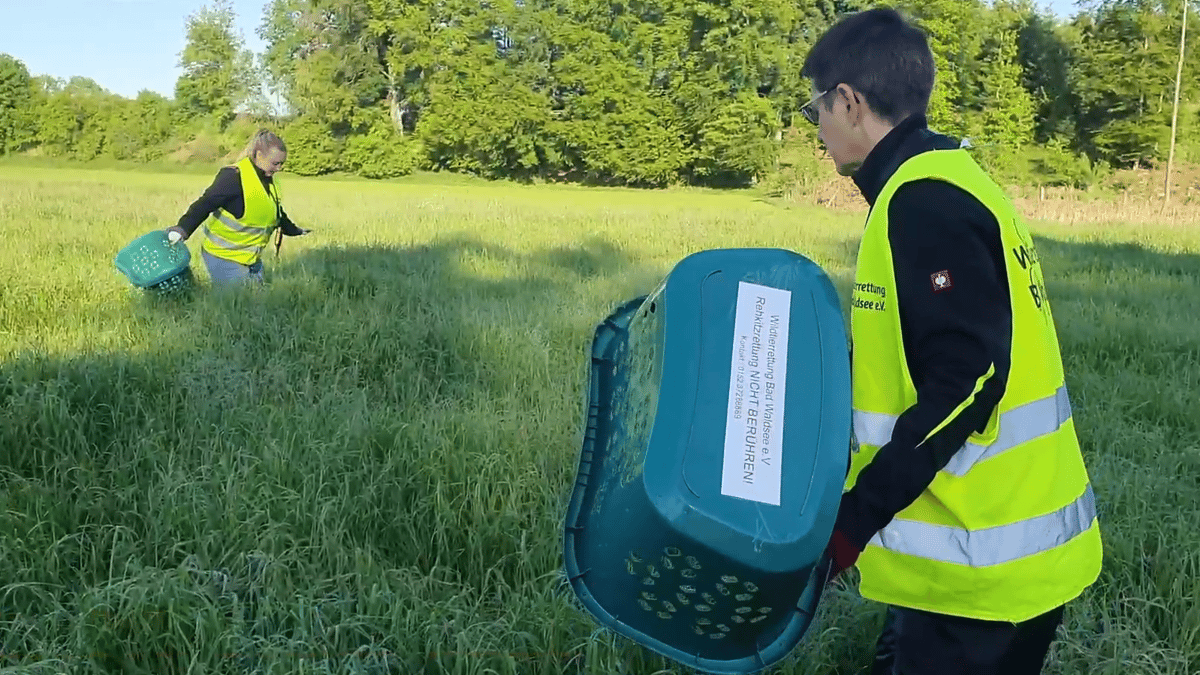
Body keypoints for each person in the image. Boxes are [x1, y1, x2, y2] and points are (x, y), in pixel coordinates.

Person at [802, 8, 1102, 675]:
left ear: (848, 102)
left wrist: (851, 524)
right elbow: (923, 350)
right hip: (977, 562)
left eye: (814, 107)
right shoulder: (944, 179)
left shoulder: (925, 201)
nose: (816, 128)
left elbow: (966, 380)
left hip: (985, 574)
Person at [167, 129, 310, 286]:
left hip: (251, 260)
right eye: (275, 163)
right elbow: (205, 204)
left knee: (261, 297)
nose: (279, 168)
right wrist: (182, 229)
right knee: (243, 298)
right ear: (259, 155)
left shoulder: (271, 182)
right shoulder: (233, 177)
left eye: (282, 163)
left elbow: (276, 213)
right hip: (223, 256)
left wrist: (294, 230)